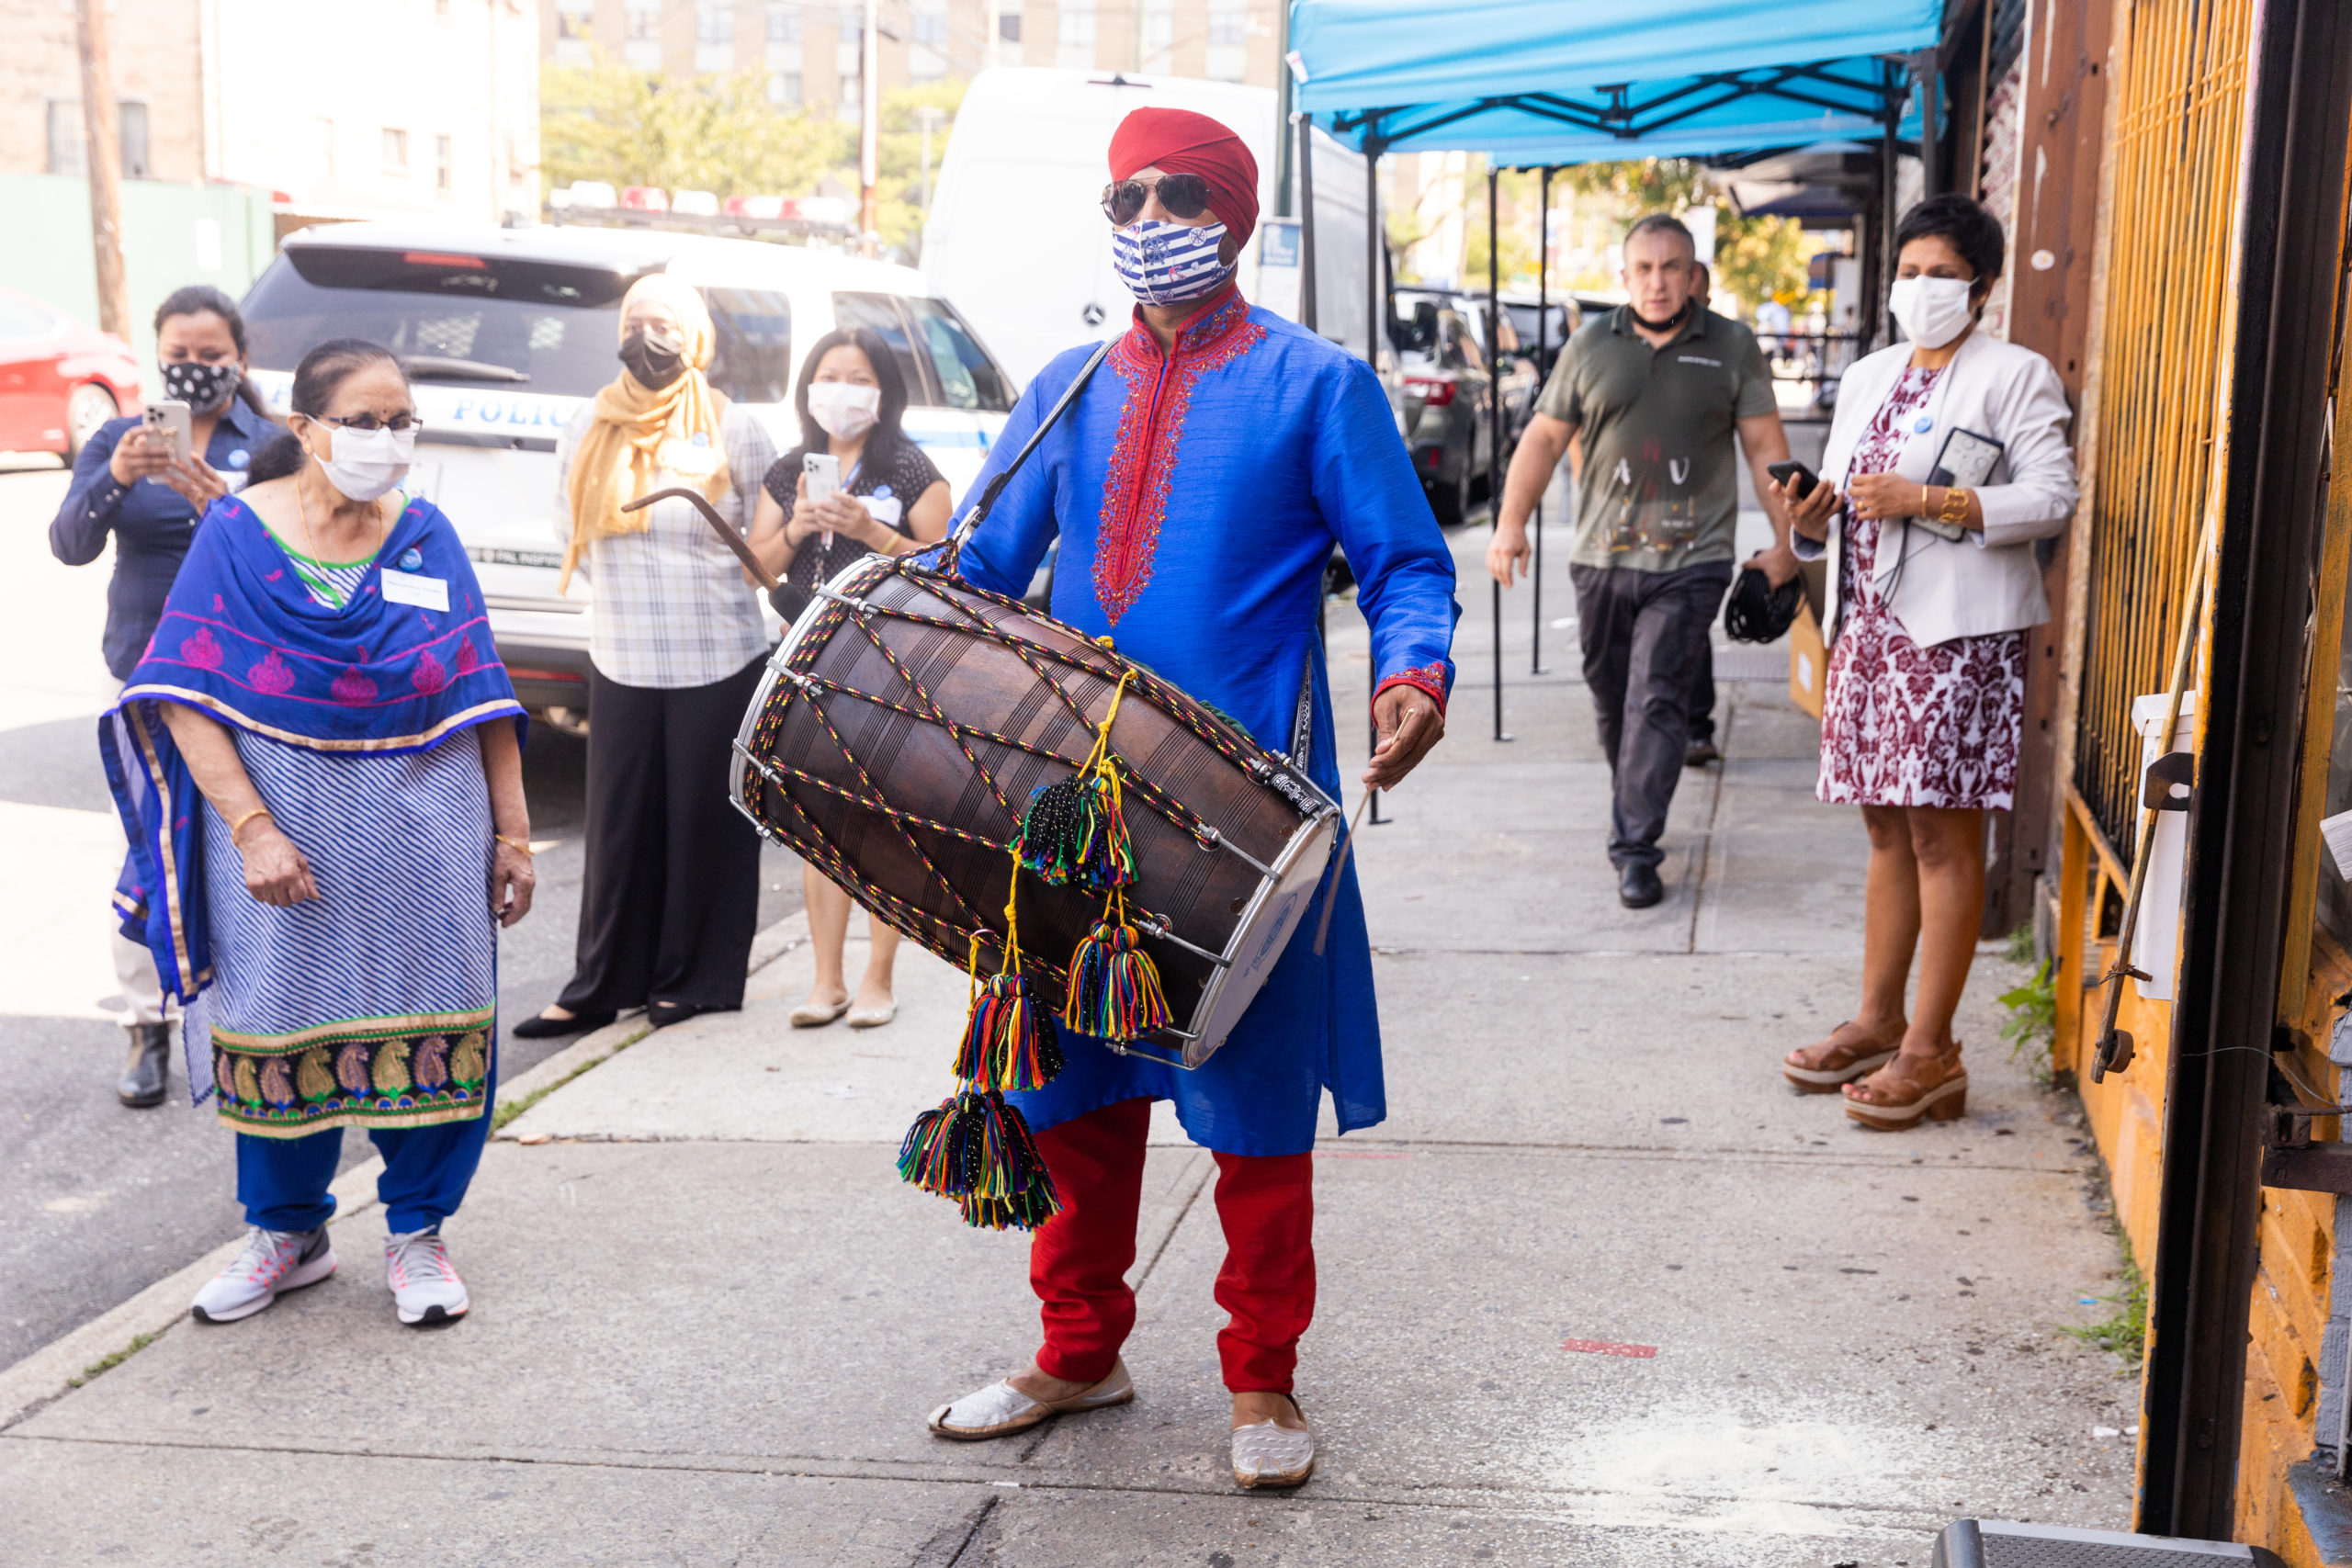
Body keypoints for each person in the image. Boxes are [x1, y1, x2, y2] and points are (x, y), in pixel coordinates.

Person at [918, 106, 1456, 1493]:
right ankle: (1077, 1346)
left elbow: (1405, 562)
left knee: (1256, 1107)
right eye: (1126, 196)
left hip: (1247, 810)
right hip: (1073, 809)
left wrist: (1416, 671)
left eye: (1177, 193)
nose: (1148, 218)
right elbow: (981, 569)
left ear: (1234, 210)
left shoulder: (1317, 384)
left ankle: (1262, 1381)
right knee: (1075, 1095)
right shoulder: (1068, 382)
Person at [103, 339, 534, 1325]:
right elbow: (182, 697)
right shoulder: (236, 538)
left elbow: (483, 696)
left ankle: (418, 1234)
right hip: (282, 852)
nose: (386, 440)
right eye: (364, 421)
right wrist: (253, 831)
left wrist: (511, 836)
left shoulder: (425, 536)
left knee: (436, 1030)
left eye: (400, 421)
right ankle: (287, 1235)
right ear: (304, 429)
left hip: (427, 845)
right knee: (275, 1028)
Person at [1773, 194, 2078, 1130]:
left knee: (1945, 841)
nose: (1920, 288)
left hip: (1955, 642)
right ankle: (1876, 1018)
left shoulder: (2015, 376)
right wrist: (1811, 525)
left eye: (1940, 274)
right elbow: (1839, 505)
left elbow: (2050, 499)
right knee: (1882, 835)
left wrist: (1929, 501)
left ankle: (1931, 1051)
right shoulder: (1867, 376)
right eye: (1907, 272)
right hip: (1868, 632)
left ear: (1981, 287)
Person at [1489, 216, 1796, 908]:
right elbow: (1543, 437)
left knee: (1657, 694)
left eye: (1672, 267)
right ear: (1624, 276)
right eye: (1645, 269)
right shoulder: (1592, 344)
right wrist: (1511, 524)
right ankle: (1636, 790)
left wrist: (1785, 545)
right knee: (1611, 693)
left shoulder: (1732, 346)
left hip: (1693, 558)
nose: (1658, 281)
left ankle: (1635, 848)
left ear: (1693, 275)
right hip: (1602, 554)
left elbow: (1765, 451)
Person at [517, 276, 778, 1040]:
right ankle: (601, 985)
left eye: (664, 323)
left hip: (718, 654)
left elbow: (763, 545)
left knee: (702, 822)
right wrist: (639, 597)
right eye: (635, 321)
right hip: (623, 650)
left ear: (695, 337)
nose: (646, 335)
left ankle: (691, 979)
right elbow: (574, 528)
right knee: (619, 831)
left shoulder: (736, 427)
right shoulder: (588, 423)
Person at [51, 285, 281, 1109]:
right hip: (147, 676)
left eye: (209, 357)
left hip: (249, 682)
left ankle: (245, 1017)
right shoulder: (122, 437)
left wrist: (222, 508)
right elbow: (70, 543)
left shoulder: (273, 442)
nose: (192, 372)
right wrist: (113, 477)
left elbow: (294, 560)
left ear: (240, 359)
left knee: (240, 840)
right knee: (151, 843)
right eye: (177, 358)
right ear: (158, 359)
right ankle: (148, 1024)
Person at [747, 326, 952, 1031]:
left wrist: (871, 531)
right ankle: (826, 981)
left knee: (882, 819)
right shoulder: (788, 471)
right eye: (829, 373)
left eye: (857, 375)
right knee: (816, 815)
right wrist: (801, 524)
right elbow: (755, 563)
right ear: (809, 386)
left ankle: (878, 977)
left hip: (888, 660)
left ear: (883, 390)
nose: (842, 388)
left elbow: (949, 565)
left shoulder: (910, 470)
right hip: (805, 665)